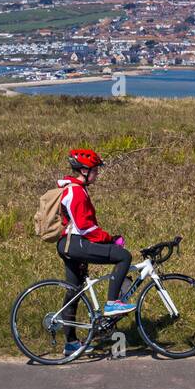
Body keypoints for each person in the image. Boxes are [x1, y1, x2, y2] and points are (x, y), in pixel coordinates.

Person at [56, 148, 135, 355]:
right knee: (123, 256)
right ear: (83, 170)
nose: (97, 174)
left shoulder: (77, 189)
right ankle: (112, 303)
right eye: (94, 171)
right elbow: (84, 227)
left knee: (74, 291)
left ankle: (70, 343)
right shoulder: (75, 191)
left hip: (71, 244)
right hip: (75, 242)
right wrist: (110, 239)